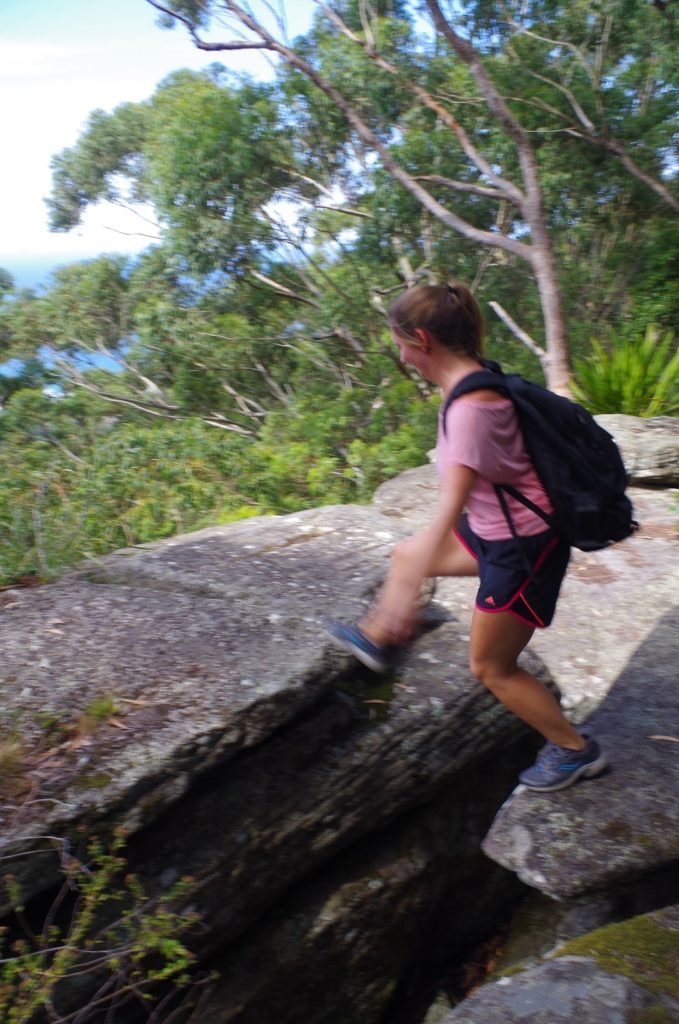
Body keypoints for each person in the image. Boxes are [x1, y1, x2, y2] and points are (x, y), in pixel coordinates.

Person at [326, 281, 607, 793]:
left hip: (524, 548)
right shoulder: (473, 379)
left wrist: (414, 568)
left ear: (423, 339)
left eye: (401, 344)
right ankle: (380, 638)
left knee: (491, 667)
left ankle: (574, 750)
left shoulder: (470, 410)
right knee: (406, 555)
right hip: (495, 531)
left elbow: (447, 508)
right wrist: (409, 569)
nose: (401, 356)